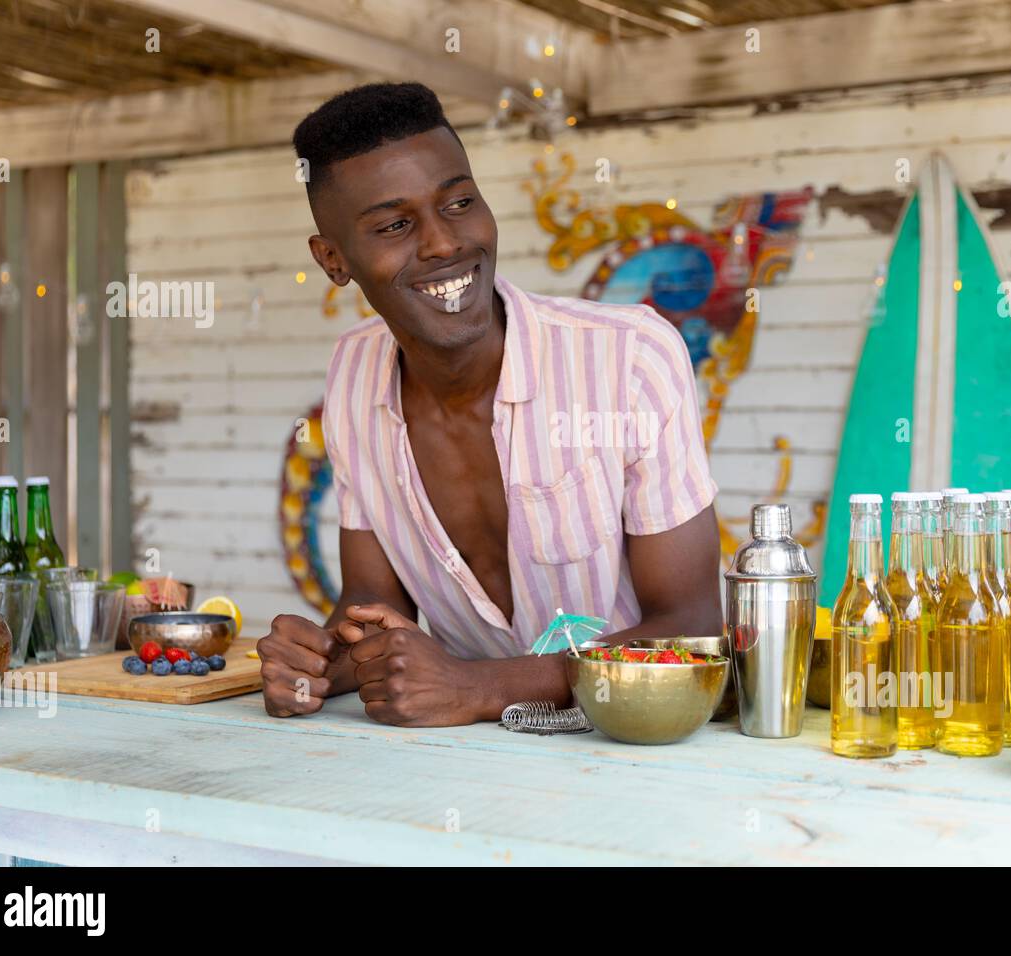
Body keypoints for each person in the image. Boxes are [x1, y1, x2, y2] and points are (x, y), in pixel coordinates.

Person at [258, 82, 722, 727]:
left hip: (632, 745)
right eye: (395, 226)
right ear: (333, 259)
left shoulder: (629, 357)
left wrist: (476, 688)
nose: (444, 243)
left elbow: (691, 627)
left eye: (459, 203)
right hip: (467, 762)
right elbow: (372, 603)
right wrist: (317, 665)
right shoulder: (354, 374)